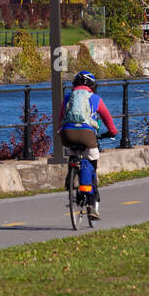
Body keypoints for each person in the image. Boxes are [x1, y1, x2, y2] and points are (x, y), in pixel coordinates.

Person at [59, 71, 118, 220]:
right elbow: (106, 117)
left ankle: (70, 177)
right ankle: (92, 205)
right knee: (92, 165)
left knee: (73, 153)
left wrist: (61, 132)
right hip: (86, 134)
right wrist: (112, 132)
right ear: (92, 85)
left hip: (68, 133)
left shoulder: (68, 98)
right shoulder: (95, 98)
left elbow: (60, 118)